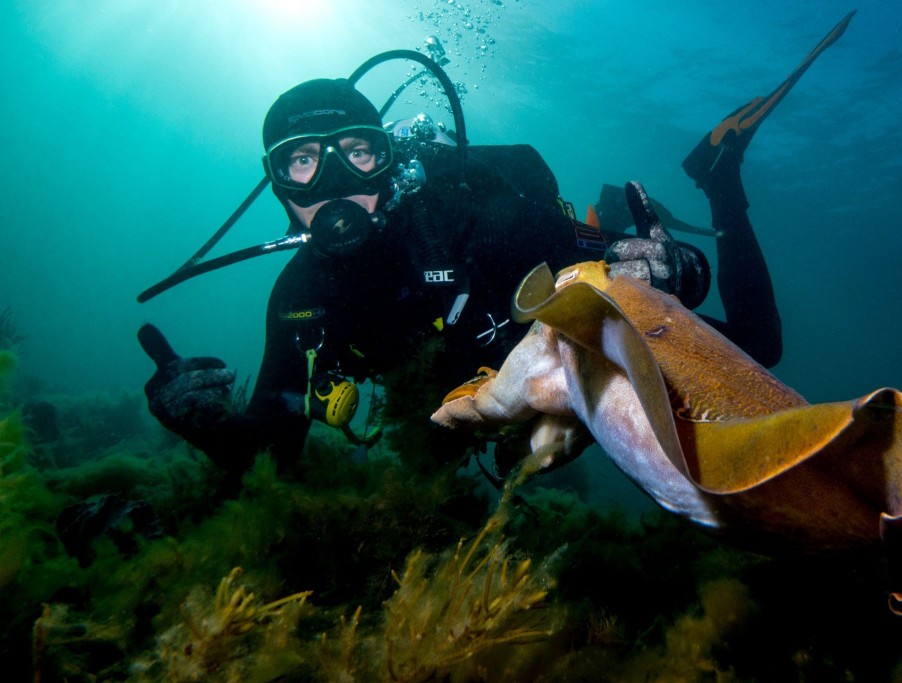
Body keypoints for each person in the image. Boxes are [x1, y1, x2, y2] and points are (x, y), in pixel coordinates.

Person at [139, 76, 781, 476]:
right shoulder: (301, 303)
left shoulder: (476, 221)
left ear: (386, 160)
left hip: (535, 341)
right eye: (301, 162)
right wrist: (206, 424)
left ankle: (720, 179)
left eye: (357, 153)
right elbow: (273, 450)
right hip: (464, 400)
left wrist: (675, 269)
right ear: (275, 182)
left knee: (757, 348)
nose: (334, 182)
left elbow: (641, 269)